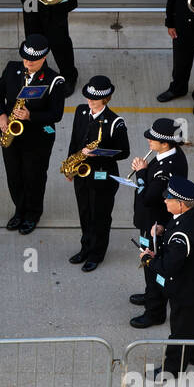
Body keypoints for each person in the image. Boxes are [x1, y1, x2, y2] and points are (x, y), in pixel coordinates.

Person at [0, 33, 66, 234]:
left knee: (34, 177)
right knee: (14, 176)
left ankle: (33, 214)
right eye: (25, 58)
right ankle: (19, 210)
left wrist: (30, 115)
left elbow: (56, 114)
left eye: (32, 61)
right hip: (11, 132)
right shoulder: (12, 68)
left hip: (37, 138)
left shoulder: (54, 80)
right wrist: (2, 117)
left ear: (44, 58)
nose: (27, 63)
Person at [140, 177, 194, 378]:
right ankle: (193, 356)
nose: (164, 201)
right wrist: (164, 230)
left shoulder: (182, 236)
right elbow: (178, 223)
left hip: (185, 286)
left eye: (169, 198)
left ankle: (172, 368)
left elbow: (167, 267)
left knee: (180, 328)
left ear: (181, 204)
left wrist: (148, 259)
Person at [63, 75, 130, 271]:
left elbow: (124, 152)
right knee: (85, 213)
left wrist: (97, 154)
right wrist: (70, 165)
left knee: (100, 217)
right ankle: (86, 248)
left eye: (94, 99)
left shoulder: (115, 122)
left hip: (103, 176)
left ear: (105, 99)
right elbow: (74, 140)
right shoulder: (81, 111)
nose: (89, 101)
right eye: (88, 97)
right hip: (82, 174)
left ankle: (97, 254)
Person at [129, 117, 189, 329]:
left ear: (165, 143)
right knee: (149, 266)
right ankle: (150, 295)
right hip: (151, 220)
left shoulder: (167, 168)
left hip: (156, 225)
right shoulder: (169, 155)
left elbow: (148, 197)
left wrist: (141, 173)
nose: (148, 140)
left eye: (153, 138)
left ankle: (155, 312)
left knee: (152, 264)